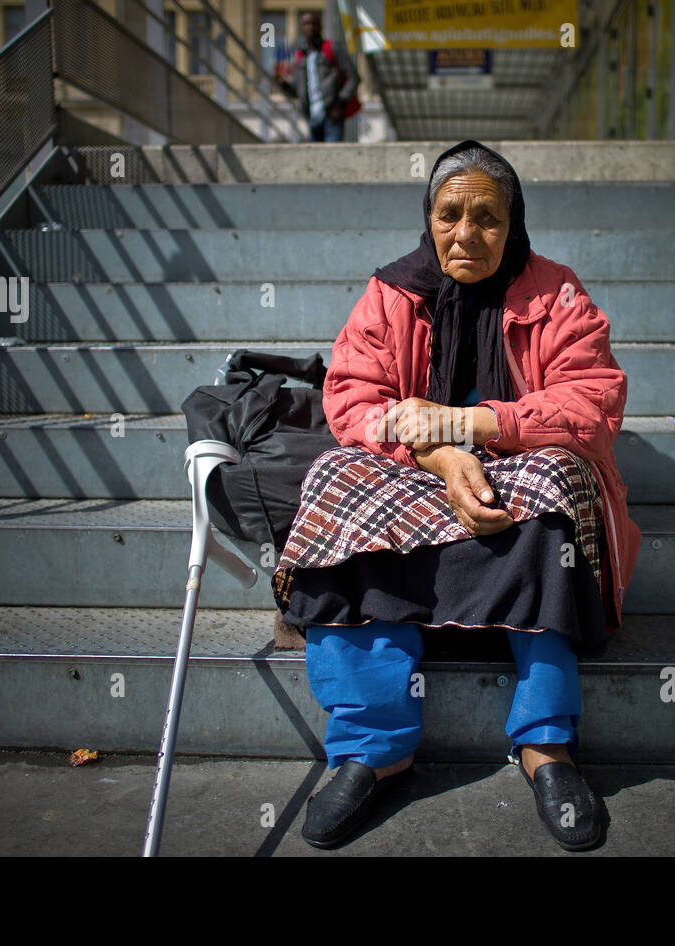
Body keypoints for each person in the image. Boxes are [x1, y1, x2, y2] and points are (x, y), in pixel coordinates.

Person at [272, 140, 643, 851]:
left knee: (560, 483)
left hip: (516, 463)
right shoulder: (392, 293)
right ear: (429, 218)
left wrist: (476, 423)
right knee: (334, 479)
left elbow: (593, 404)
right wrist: (438, 453)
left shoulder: (555, 292)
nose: (466, 234)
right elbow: (352, 399)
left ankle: (545, 744)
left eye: (487, 218)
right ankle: (373, 747)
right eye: (450, 214)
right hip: (415, 468)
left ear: (513, 225)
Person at [279, 11, 358, 142]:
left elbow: (353, 77)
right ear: (301, 28)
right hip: (312, 116)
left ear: (320, 27)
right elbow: (297, 92)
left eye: (313, 24)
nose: (310, 27)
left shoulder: (332, 48)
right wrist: (283, 84)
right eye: (306, 24)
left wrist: (340, 103)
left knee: (333, 156)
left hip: (332, 115)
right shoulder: (300, 56)